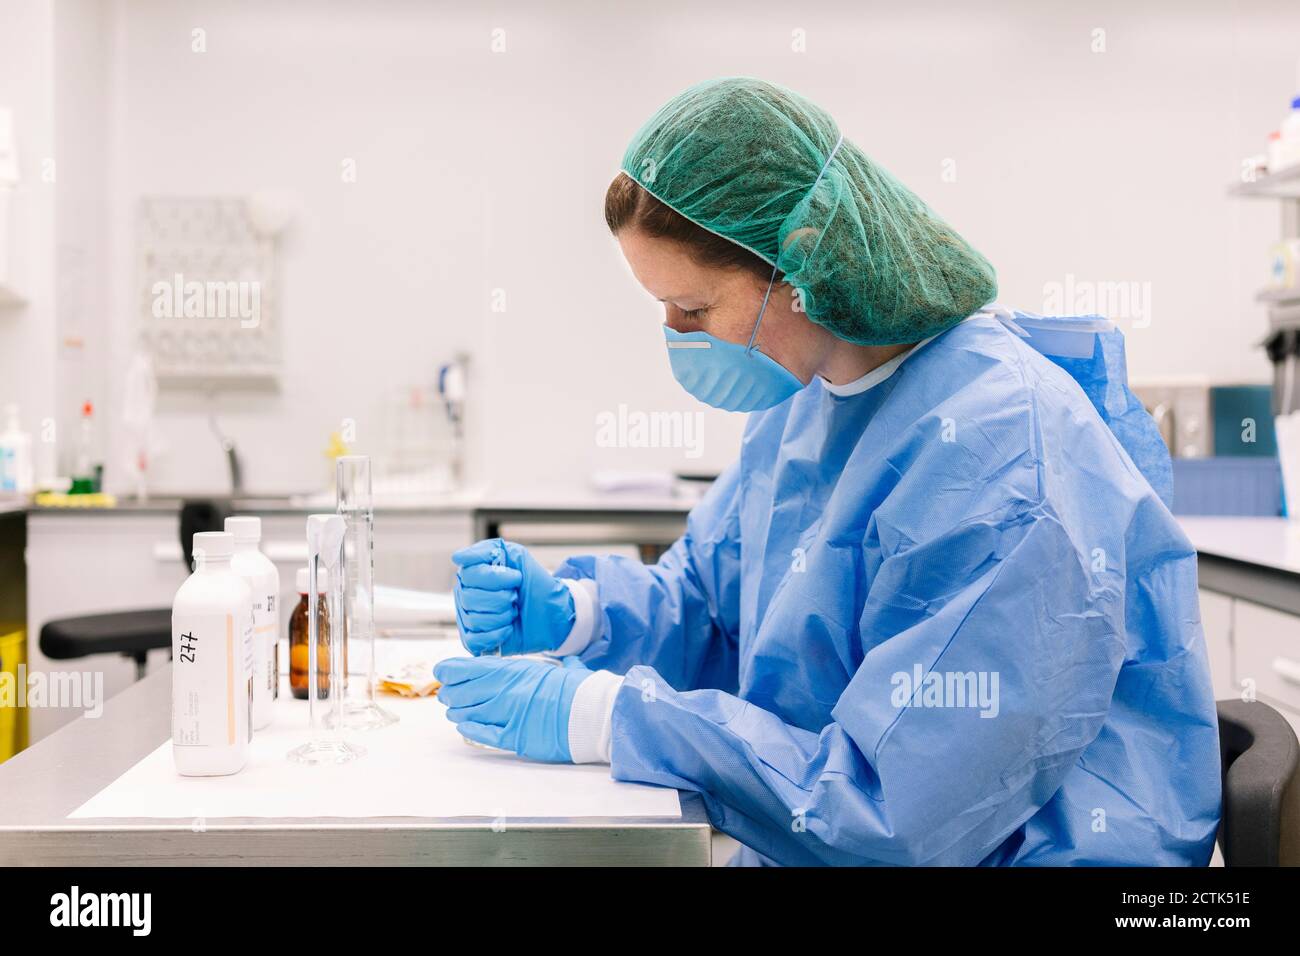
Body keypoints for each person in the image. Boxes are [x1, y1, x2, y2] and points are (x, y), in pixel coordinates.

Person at [435, 78, 1221, 866]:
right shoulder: (802, 401)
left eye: (695, 310)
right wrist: (574, 612)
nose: (674, 334)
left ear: (801, 266)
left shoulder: (1003, 456)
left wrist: (609, 717)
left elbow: (899, 812)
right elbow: (718, 610)